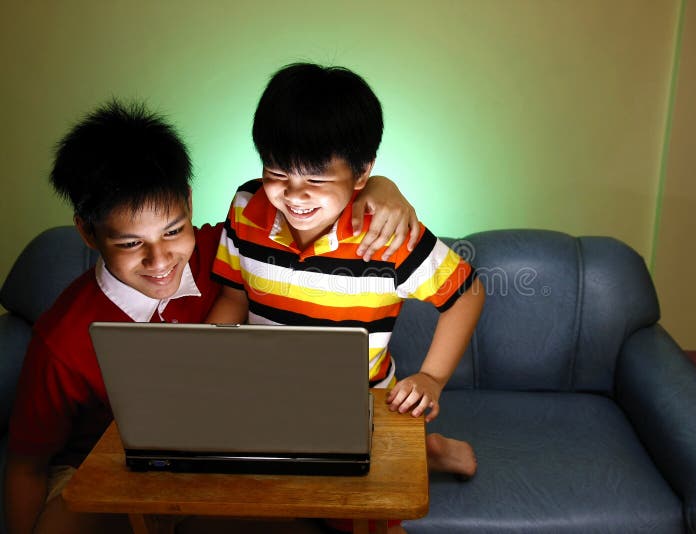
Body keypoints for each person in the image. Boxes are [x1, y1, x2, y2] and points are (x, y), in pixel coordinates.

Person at [4, 100, 420, 534]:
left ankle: (431, 448)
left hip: (219, 459)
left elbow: (312, 199)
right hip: (102, 467)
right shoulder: (63, 337)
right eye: (130, 245)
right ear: (88, 233)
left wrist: (379, 188)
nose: (160, 260)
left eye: (172, 231)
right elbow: (25, 465)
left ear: (188, 202)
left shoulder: (233, 252)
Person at [207, 63, 485, 533]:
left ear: (362, 173)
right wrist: (211, 358)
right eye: (276, 172)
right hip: (265, 398)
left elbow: (467, 293)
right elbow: (234, 296)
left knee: (352, 518)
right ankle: (422, 452)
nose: (293, 195)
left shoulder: (387, 234)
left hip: (357, 408)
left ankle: (422, 451)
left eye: (316, 180)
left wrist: (432, 377)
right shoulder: (245, 207)